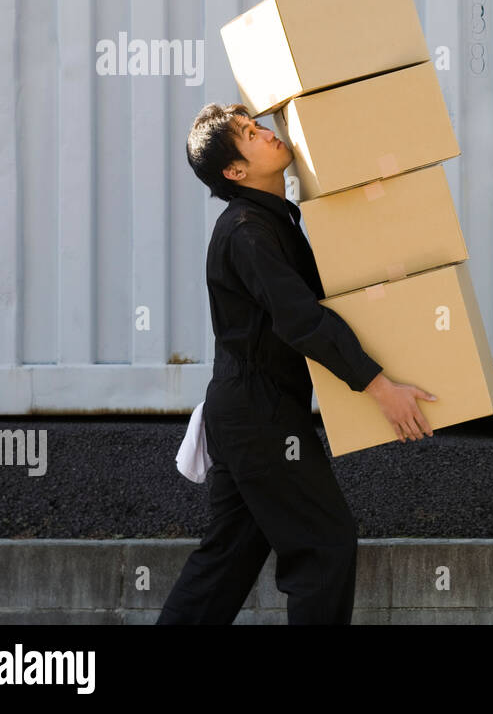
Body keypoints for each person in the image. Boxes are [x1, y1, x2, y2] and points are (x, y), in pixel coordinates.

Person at [157, 102, 437, 625]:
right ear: (234, 172)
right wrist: (381, 388)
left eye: (258, 125)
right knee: (324, 547)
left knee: (225, 563)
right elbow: (301, 320)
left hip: (251, 414)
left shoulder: (273, 219)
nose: (266, 134)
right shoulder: (247, 230)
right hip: (258, 417)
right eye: (249, 134)